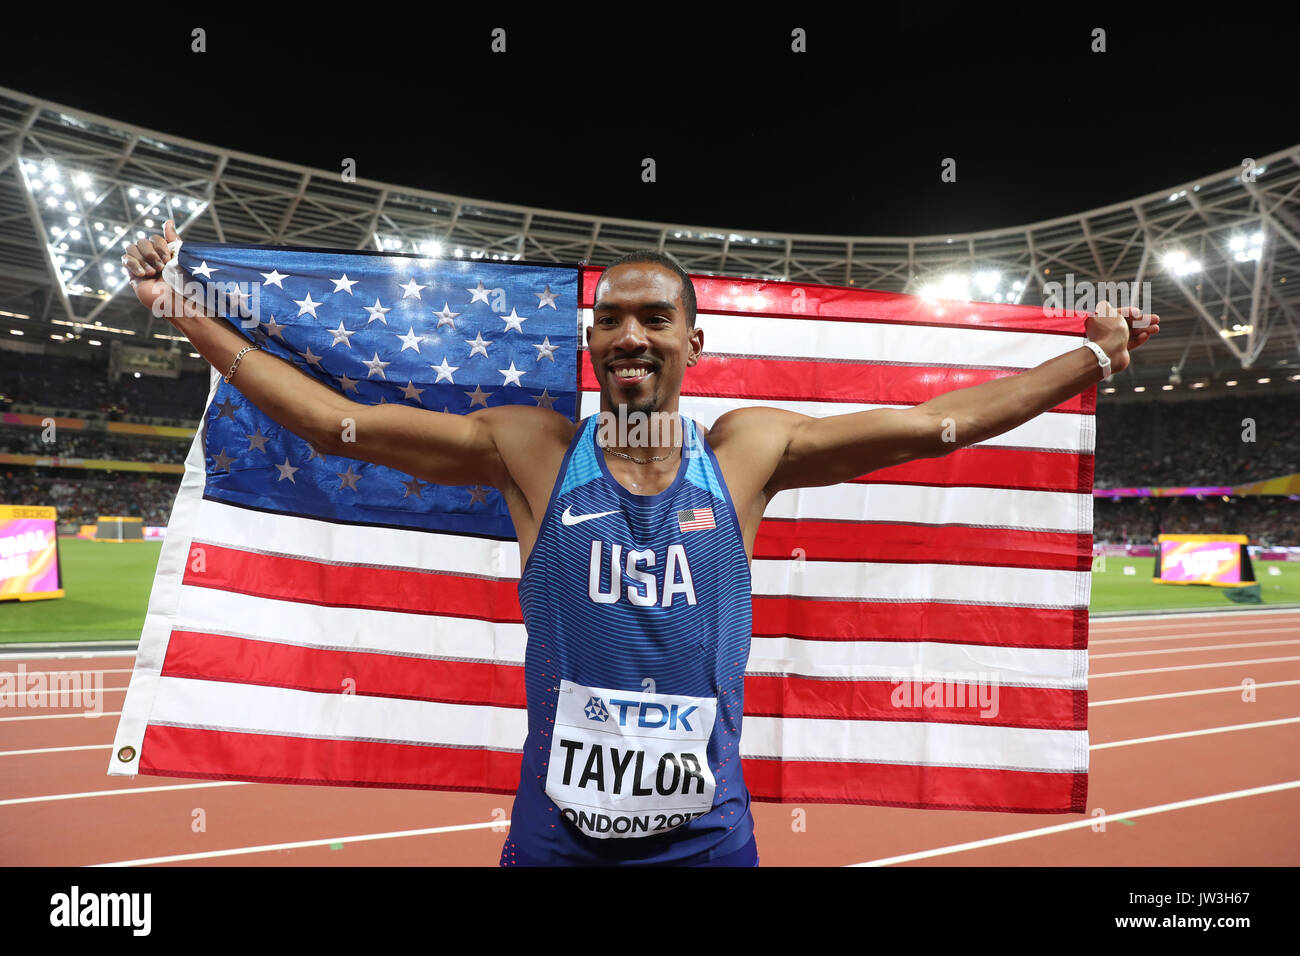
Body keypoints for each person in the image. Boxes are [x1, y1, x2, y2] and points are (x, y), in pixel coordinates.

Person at [122, 220, 1160, 866]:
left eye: (656, 318)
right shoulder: (532, 451)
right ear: (591, 343)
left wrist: (1086, 360)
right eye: (612, 319)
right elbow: (321, 414)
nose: (631, 334)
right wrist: (185, 310)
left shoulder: (747, 454)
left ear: (692, 343)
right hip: (554, 839)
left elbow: (940, 422)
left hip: (707, 843)